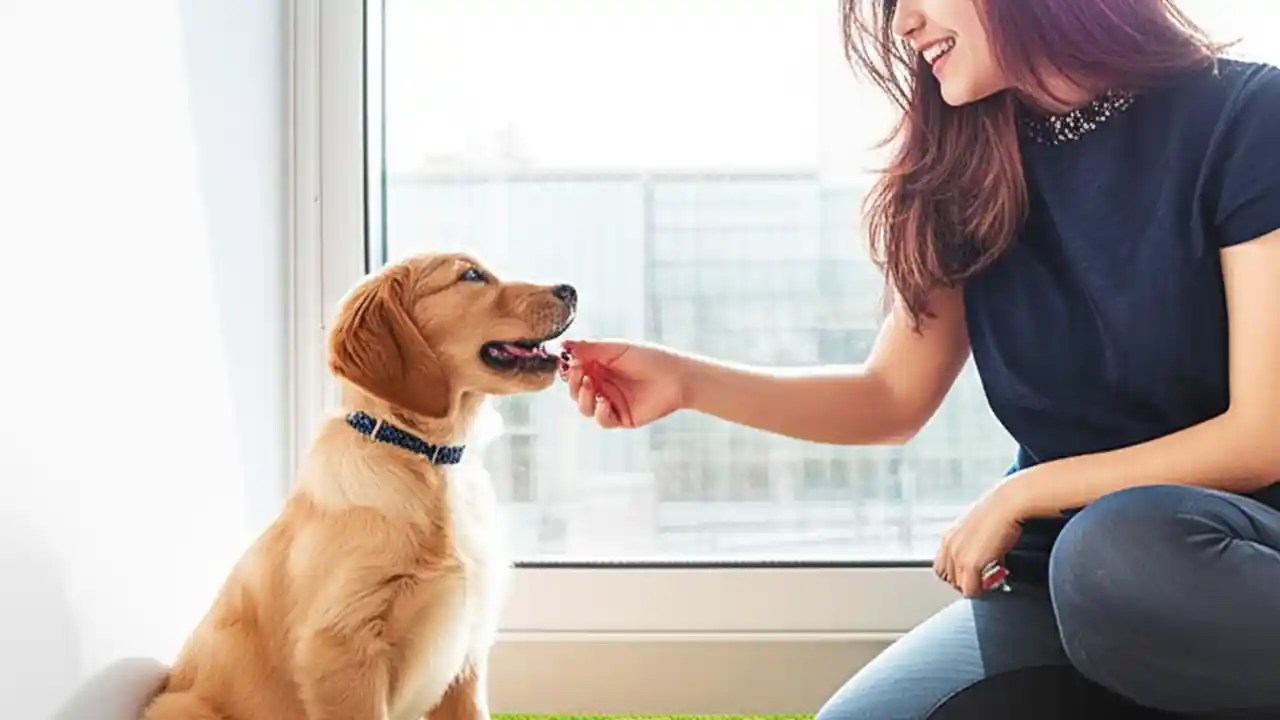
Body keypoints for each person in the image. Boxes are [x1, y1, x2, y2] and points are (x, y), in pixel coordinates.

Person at [557, 0, 1280, 717]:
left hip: (1223, 558)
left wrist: (1024, 492)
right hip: (1059, 582)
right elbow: (890, 396)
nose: (902, 23)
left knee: (1119, 554)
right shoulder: (966, 163)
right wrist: (686, 382)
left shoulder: (1248, 115)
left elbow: (1262, 435)